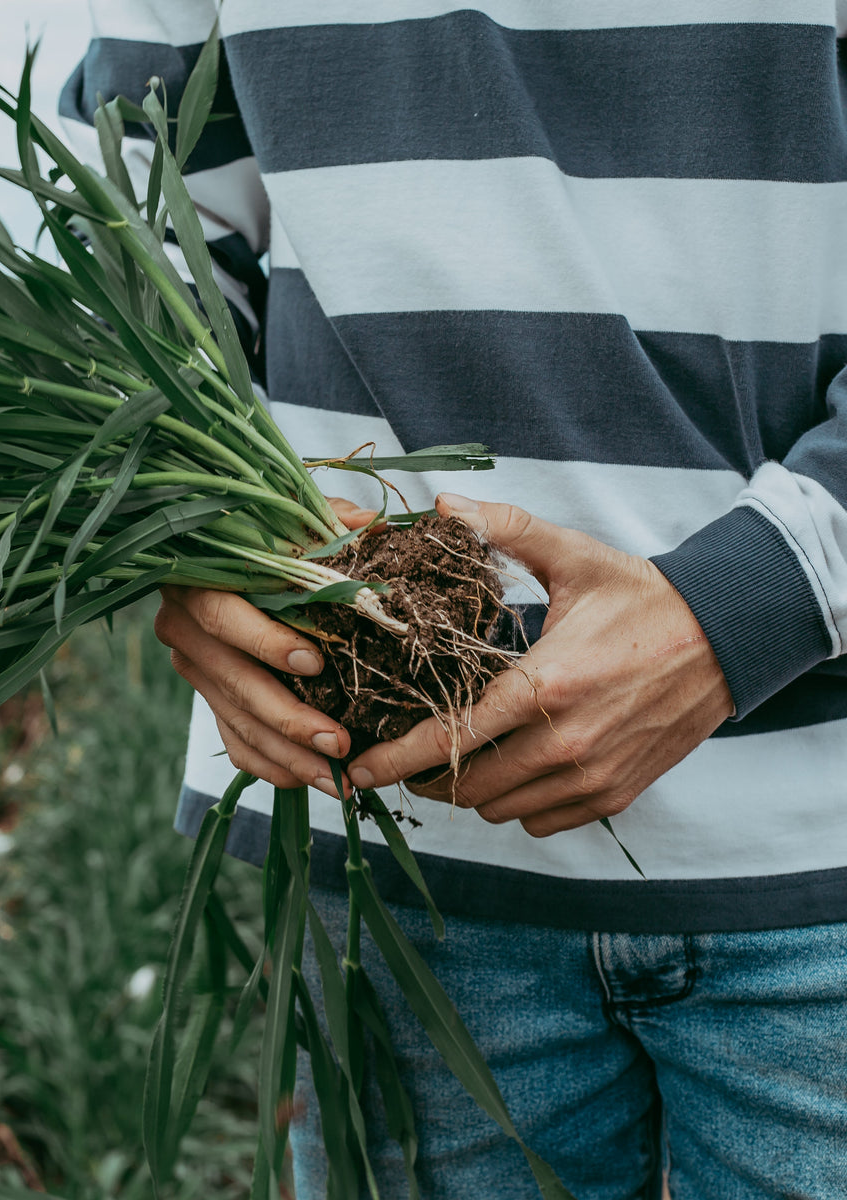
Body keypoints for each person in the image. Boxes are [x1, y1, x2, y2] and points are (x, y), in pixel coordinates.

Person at [63, 3, 847, 1196]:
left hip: (818, 859)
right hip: (391, 858)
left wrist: (747, 605)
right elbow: (132, 227)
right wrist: (192, 529)